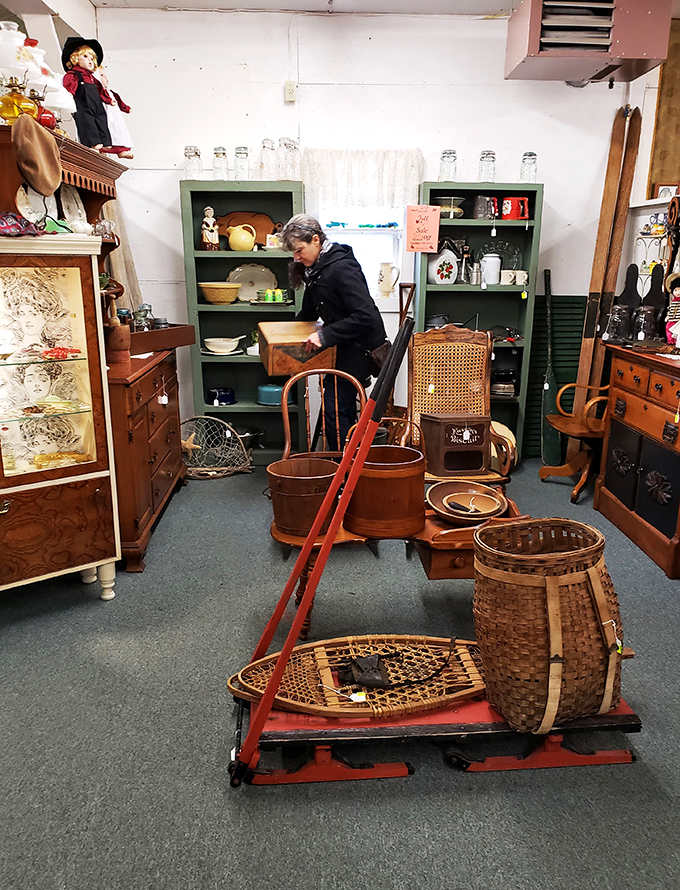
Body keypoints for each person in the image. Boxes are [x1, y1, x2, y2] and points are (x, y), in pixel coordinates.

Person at [280, 214, 387, 447]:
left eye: (299, 250)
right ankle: (343, 460)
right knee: (337, 409)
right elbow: (308, 314)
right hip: (342, 346)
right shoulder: (314, 270)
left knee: (335, 411)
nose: (296, 258)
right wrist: (282, 334)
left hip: (359, 348)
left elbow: (365, 316)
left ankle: (343, 464)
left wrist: (324, 335)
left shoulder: (342, 267)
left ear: (315, 240)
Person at [62, 38, 113, 152]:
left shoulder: (92, 78)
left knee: (101, 118)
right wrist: (70, 93)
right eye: (85, 57)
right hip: (83, 103)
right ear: (75, 58)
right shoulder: (73, 74)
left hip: (96, 103)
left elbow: (100, 89)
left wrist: (108, 100)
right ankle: (93, 142)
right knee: (86, 121)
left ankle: (105, 141)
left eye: (92, 58)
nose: (90, 61)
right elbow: (69, 84)